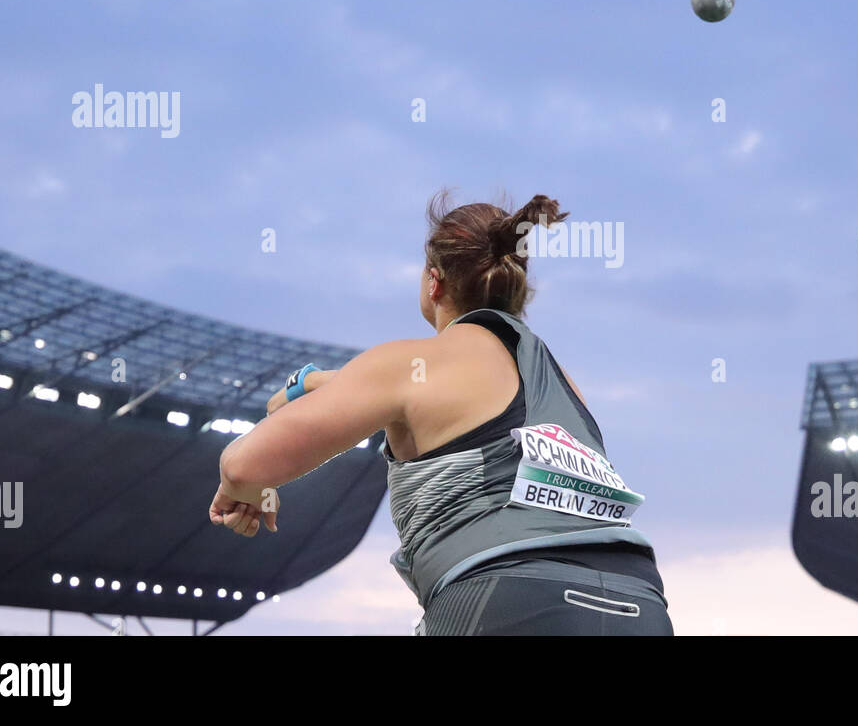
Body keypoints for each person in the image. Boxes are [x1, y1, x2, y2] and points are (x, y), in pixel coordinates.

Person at [209, 192, 671, 635]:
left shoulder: (412, 364)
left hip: (506, 594)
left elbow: (243, 463)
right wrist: (307, 382)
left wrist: (241, 491)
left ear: (434, 281)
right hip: (641, 601)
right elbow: (413, 398)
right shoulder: (564, 385)